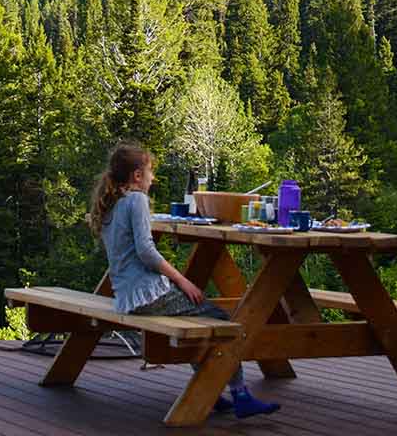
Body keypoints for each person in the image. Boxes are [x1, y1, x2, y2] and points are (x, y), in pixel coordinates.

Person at [87, 141, 281, 420]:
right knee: (222, 321)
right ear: (137, 176)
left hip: (126, 296)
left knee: (201, 321)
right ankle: (240, 395)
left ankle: (209, 390)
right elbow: (146, 251)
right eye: (150, 171)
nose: (153, 178)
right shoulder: (137, 200)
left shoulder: (111, 202)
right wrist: (182, 281)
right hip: (148, 296)